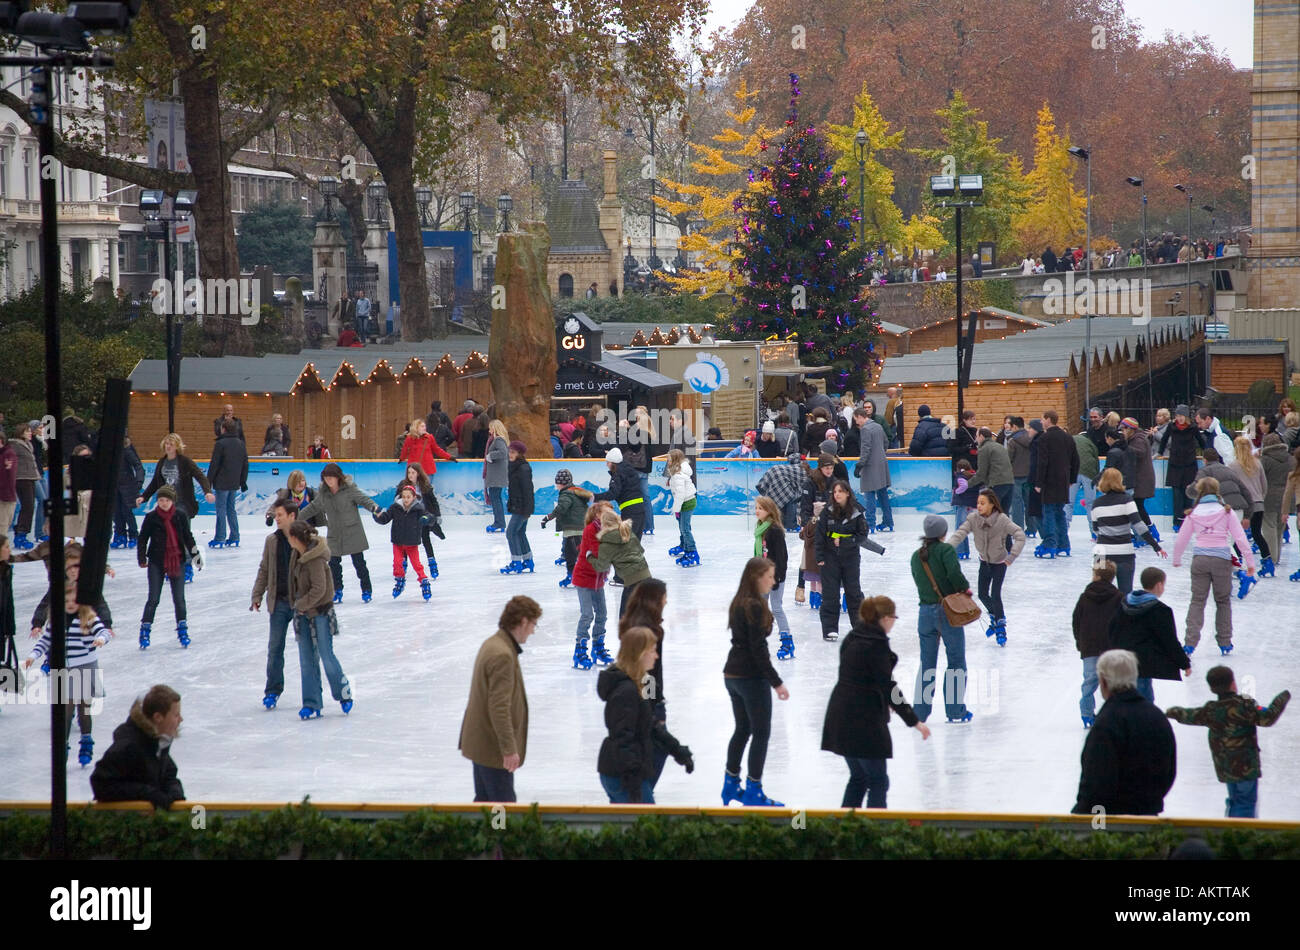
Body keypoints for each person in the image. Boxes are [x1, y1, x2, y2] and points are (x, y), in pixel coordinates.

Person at [822, 595, 930, 808]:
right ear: (885, 618)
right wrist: (914, 720)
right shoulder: (876, 645)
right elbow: (889, 687)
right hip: (863, 720)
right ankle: (875, 831)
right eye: (894, 617)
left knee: (859, 778)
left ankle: (846, 830)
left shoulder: (853, 637)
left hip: (840, 714)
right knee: (878, 781)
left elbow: (862, 674)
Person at [1165, 667, 1290, 819]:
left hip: (1225, 765)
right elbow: (1268, 718)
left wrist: (1172, 711)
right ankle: (1241, 835)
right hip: (1245, 765)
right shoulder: (1243, 706)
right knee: (1245, 802)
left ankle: (1230, 829)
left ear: (1212, 688)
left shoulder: (1211, 710)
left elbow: (1189, 715)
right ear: (1233, 684)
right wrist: (1283, 697)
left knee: (1235, 799)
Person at [1071, 649, 1177, 817]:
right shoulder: (1157, 718)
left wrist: (1093, 826)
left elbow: (1096, 784)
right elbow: (1169, 771)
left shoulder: (1107, 723)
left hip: (1113, 823)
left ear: (1104, 681)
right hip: (1149, 816)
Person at [596, 625, 693, 803]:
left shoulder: (642, 683)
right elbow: (622, 738)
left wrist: (677, 750)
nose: (656, 656)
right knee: (646, 825)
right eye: (652, 651)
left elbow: (651, 725)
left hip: (624, 771)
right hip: (620, 774)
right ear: (640, 654)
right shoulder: (626, 692)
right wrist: (633, 780)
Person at [721, 556, 789, 807]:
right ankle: (753, 790)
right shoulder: (755, 606)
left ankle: (730, 784)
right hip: (750, 677)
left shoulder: (739, 602)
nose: (773, 581)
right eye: (769, 577)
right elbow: (758, 649)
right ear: (756, 577)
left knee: (743, 729)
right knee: (760, 732)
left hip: (732, 675)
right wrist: (776, 682)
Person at [459, 595, 539, 802]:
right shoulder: (502, 654)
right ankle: (499, 833)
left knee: (485, 801)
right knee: (502, 807)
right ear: (523, 622)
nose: (533, 630)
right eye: (533, 624)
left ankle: (488, 833)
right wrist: (509, 750)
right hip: (492, 749)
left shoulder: (494, 643)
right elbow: (499, 707)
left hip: (481, 743)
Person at [26, 579, 111, 765]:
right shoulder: (56, 620)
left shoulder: (88, 618)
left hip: (85, 667)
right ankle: (62, 745)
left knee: (84, 709)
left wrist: (101, 640)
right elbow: (45, 641)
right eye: (67, 600)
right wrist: (33, 655)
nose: (71, 603)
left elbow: (103, 632)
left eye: (74, 599)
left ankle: (86, 742)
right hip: (63, 668)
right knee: (66, 709)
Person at [1172, 478, 1255, 655]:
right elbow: (1240, 538)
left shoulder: (1193, 514)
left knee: (1197, 601)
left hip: (1200, 560)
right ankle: (1225, 642)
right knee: (1223, 601)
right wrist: (1250, 563)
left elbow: (1181, 539)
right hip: (1221, 561)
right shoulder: (1226, 512)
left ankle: (1190, 642)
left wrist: (1177, 558)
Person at [286, 520, 353, 719]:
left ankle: (343, 693)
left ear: (296, 538)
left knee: (326, 654)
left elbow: (320, 589)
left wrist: (300, 604)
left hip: (321, 613)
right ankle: (311, 702)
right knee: (306, 659)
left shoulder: (314, 558)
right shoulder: (295, 555)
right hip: (303, 614)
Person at [910, 514, 973, 724]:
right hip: (948, 612)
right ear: (943, 533)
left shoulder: (916, 556)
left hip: (925, 614)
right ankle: (955, 711)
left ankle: (920, 712)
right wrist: (964, 588)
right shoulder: (946, 550)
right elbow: (955, 575)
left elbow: (920, 582)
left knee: (927, 663)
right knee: (956, 661)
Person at [617, 579, 678, 790]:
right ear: (654, 600)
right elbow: (647, 674)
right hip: (647, 699)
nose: (666, 601)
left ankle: (641, 792)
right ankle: (641, 794)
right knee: (658, 748)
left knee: (653, 749)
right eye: (664, 597)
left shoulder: (633, 622)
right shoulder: (648, 630)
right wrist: (653, 703)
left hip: (640, 697)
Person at [947, 489, 1025, 645]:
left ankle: (1000, 624)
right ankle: (995, 618)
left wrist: (1012, 556)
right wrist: (946, 548)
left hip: (999, 564)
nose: (979, 506)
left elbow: (1019, 535)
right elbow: (960, 533)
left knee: (995, 594)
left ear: (992, 504)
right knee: (982, 594)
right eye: (978, 503)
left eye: (982, 503)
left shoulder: (1002, 520)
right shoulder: (973, 518)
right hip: (984, 562)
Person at [297, 462, 382, 604]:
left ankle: (366, 589)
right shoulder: (324, 493)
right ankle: (337, 590)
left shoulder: (349, 489)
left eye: (331, 477)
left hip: (352, 531)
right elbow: (313, 507)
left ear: (338, 477)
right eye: (326, 477)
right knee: (334, 564)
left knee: (359, 562)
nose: (329, 480)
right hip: (335, 533)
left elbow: (363, 499)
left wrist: (374, 507)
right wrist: (297, 518)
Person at [89, 684, 185, 808]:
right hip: (125, 820)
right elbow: (101, 784)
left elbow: (169, 774)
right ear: (158, 717)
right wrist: (150, 794)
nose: (181, 719)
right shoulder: (129, 746)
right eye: (176, 715)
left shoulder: (159, 743)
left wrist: (175, 792)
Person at [1107, 567, 1191, 702]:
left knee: (1128, 696)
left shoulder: (1124, 604)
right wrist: (1184, 663)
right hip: (1144, 663)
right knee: (1143, 701)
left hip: (1123, 660)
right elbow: (1169, 641)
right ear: (1158, 585)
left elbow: (1112, 629)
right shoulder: (1160, 610)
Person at [135, 486, 201, 650]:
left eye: (167, 500)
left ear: (172, 501)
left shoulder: (180, 516)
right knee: (153, 599)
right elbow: (142, 538)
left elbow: (188, 537)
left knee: (179, 599)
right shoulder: (151, 517)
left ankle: (183, 630)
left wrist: (196, 557)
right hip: (156, 562)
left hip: (176, 560)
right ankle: (145, 630)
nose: (163, 503)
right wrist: (142, 558)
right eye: (161, 500)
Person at [250, 497, 299, 710]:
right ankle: (272, 691)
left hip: (301, 603)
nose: (276, 519)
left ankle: (314, 691)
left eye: (280, 515)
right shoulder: (272, 541)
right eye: (275, 515)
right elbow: (264, 569)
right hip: (278, 602)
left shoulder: (304, 538)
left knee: (309, 650)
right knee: (275, 648)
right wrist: (257, 594)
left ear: (292, 516)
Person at [813, 479, 876, 643]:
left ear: (847, 493)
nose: (837, 494)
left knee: (854, 594)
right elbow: (819, 535)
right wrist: (819, 557)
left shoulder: (857, 511)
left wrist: (846, 542)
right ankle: (830, 629)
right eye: (835, 492)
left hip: (851, 558)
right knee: (830, 595)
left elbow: (862, 535)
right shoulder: (827, 512)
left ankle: (860, 628)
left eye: (840, 491)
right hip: (829, 558)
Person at [1090, 467, 1166, 594]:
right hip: (1124, 552)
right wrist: (1156, 546)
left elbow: (1096, 530)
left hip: (1101, 552)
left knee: (1099, 592)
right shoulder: (1127, 500)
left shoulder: (1096, 504)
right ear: (1119, 481)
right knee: (1125, 593)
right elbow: (1139, 526)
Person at [1073, 560, 1124, 727]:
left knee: (1089, 680)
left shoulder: (1085, 597)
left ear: (1096, 576)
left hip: (1090, 645)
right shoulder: (1119, 597)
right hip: (1111, 646)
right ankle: (1113, 714)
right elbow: (1123, 621)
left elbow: (1076, 621)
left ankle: (1087, 714)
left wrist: (1080, 641)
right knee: (1113, 682)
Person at [137, 434, 215, 534]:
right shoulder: (162, 462)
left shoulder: (185, 462)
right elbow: (155, 483)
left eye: (171, 444)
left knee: (183, 533)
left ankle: (186, 549)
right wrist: (144, 497)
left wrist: (207, 492)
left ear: (177, 446)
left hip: (183, 503)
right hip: (166, 503)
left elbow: (200, 476)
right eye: (166, 444)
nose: (168, 446)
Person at [588, 506, 652, 619]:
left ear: (604, 525)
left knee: (625, 617)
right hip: (646, 575)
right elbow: (641, 550)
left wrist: (590, 557)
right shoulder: (628, 533)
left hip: (632, 581)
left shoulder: (606, 543)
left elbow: (601, 566)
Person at [374, 484, 435, 599]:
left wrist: (426, 519)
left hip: (411, 543)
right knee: (397, 563)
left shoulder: (418, 509)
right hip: (398, 542)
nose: (406, 499)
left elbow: (430, 517)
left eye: (408, 497)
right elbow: (385, 519)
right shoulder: (395, 507)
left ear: (413, 497)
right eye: (404, 497)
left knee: (417, 565)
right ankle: (400, 579)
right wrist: (377, 516)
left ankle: (424, 581)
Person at [572, 502, 614, 669]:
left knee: (602, 614)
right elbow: (599, 553)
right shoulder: (590, 529)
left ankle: (598, 647)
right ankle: (580, 651)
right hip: (584, 578)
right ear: (597, 515)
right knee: (587, 614)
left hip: (598, 580)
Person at [1034, 410, 1080, 558]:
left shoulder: (1044, 438)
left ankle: (1050, 544)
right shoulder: (1068, 437)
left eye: (1042, 419)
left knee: (1048, 512)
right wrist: (1071, 479)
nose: (1041, 422)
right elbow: (1075, 460)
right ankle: (1063, 544)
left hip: (1049, 481)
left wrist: (1039, 482)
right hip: (1063, 481)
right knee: (1059, 512)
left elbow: (1042, 462)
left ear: (1048, 420)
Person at [754, 496, 792, 661]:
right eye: (756, 507)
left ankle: (787, 641)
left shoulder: (774, 530)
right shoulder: (760, 528)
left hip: (775, 577)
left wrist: (776, 578)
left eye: (760, 508)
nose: (757, 511)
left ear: (769, 511)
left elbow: (782, 557)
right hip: (762, 576)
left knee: (776, 608)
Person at [539, 468, 592, 588]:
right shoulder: (575, 490)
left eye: (557, 482)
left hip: (572, 530)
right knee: (578, 554)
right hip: (580, 528)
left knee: (570, 555)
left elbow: (562, 508)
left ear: (560, 483)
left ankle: (573, 576)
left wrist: (548, 517)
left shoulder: (565, 494)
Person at [1228, 435, 1272, 577]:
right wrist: (1259, 498)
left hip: (1243, 506)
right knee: (1257, 534)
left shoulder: (1233, 466)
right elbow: (1264, 485)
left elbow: (1232, 488)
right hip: (1258, 504)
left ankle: (1238, 562)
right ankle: (1268, 561)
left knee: (1237, 536)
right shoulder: (1257, 463)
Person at [207, 420, 249, 548]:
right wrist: (242, 481)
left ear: (223, 429)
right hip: (234, 481)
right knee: (231, 509)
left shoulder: (221, 443)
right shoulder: (241, 444)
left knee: (221, 509)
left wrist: (208, 482)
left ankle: (220, 537)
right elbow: (245, 464)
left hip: (222, 482)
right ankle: (235, 536)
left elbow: (215, 464)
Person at [1157, 406, 1200, 532]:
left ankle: (1189, 521)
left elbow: (1201, 441)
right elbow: (1164, 439)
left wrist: (1208, 452)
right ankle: (1177, 522)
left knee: (1188, 494)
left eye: (1181, 416)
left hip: (1189, 465)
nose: (1179, 418)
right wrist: (1159, 452)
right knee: (1177, 495)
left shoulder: (1193, 428)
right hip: (1175, 465)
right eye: (1177, 416)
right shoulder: (1172, 427)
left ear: (1186, 417)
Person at [853, 406, 893, 531]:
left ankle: (870, 524)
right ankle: (888, 522)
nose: (856, 423)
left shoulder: (865, 429)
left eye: (856, 420)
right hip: (882, 465)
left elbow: (865, 449)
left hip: (870, 466)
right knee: (883, 494)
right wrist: (880, 454)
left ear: (860, 417)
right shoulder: (878, 426)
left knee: (869, 494)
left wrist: (859, 465)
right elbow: (886, 442)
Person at [1121, 418, 1159, 540]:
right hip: (1139, 478)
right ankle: (1148, 531)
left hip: (1141, 479)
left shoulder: (1138, 439)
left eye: (1124, 428)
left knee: (1137, 507)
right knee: (1137, 507)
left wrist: (1124, 448)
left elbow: (1140, 452)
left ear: (1131, 429)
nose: (1123, 431)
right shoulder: (1135, 438)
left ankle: (1150, 532)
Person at [501, 441, 535, 574]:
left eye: (513, 452)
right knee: (520, 532)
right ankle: (528, 560)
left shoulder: (523, 468)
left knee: (511, 532)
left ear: (519, 454)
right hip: (518, 505)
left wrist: (527, 510)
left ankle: (516, 562)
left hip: (522, 507)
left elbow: (528, 490)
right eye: (509, 451)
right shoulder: (515, 466)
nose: (510, 454)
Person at [756, 451, 809, 534]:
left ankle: (781, 524)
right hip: (779, 479)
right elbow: (800, 495)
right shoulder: (803, 471)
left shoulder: (791, 467)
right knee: (791, 498)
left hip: (773, 475)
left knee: (783, 499)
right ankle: (791, 526)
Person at [967, 426, 1014, 514]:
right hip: (1010, 482)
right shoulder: (1000, 446)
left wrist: (968, 484)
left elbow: (981, 473)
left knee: (994, 513)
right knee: (1004, 514)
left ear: (981, 436)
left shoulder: (984, 449)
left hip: (997, 484)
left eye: (976, 436)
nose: (976, 439)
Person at [110, 434, 145, 550]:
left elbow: (137, 465)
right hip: (113, 486)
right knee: (116, 512)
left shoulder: (125, 448)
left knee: (126, 511)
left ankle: (133, 535)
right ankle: (120, 534)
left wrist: (139, 482)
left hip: (127, 485)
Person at [1259, 433, 1290, 566]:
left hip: (1268, 497)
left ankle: (1272, 557)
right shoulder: (1290, 459)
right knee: (1279, 527)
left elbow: (1259, 478)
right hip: (1286, 497)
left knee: (1269, 526)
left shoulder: (1264, 460)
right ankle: (1277, 555)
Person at [8, 423, 40, 550]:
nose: (30, 433)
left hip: (31, 477)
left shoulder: (28, 444)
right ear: (21, 432)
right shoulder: (14, 445)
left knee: (30, 506)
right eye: (27, 431)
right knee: (28, 506)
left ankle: (21, 531)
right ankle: (21, 534)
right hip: (21, 478)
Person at [665, 449, 698, 568]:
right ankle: (685, 547)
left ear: (675, 460)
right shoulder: (676, 473)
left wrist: (676, 509)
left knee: (685, 529)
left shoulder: (678, 475)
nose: (667, 461)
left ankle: (692, 552)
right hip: (685, 502)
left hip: (686, 503)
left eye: (669, 459)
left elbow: (680, 494)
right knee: (683, 527)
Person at [1004, 417, 1033, 530]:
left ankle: (1017, 528)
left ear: (1014, 426)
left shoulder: (1013, 441)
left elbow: (1008, 459)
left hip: (1015, 476)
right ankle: (1032, 528)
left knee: (1017, 504)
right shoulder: (1032, 439)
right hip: (1029, 475)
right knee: (1029, 502)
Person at [482, 419, 509, 532]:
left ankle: (499, 522)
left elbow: (503, 453)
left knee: (495, 498)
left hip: (496, 476)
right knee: (496, 498)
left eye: (490, 428)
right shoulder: (499, 440)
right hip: (497, 475)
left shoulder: (498, 440)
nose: (489, 430)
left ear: (495, 428)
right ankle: (499, 522)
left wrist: (490, 455)